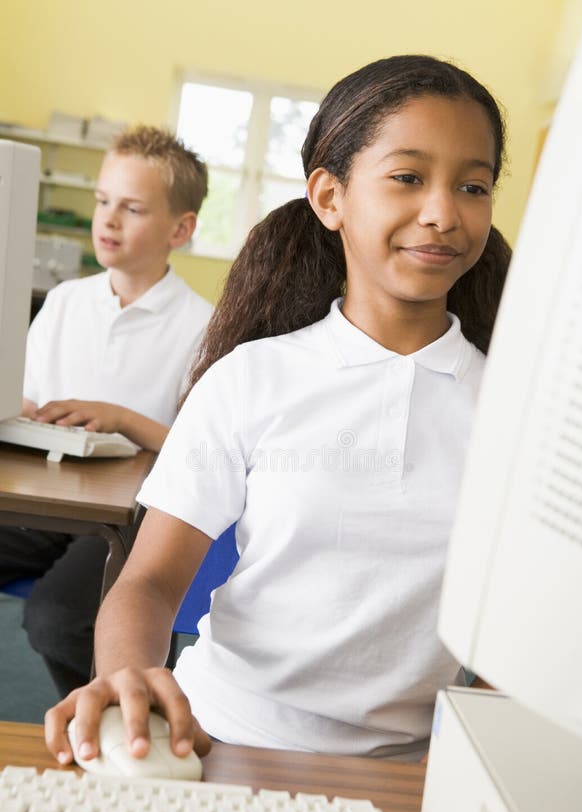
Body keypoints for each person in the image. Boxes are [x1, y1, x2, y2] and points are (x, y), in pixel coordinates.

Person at [46, 55, 512, 767]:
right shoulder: (252, 380)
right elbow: (148, 581)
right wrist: (128, 675)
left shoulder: (512, 411)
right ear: (330, 197)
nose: (443, 212)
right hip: (220, 736)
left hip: (415, 769)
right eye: (409, 177)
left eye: (473, 185)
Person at [0, 125, 213, 698]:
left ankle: (108, 713)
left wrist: (119, 416)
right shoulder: (67, 301)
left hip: (128, 517)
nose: (108, 220)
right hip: (47, 493)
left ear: (181, 229)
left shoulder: (203, 325)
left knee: (56, 619)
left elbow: (203, 453)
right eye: (102, 202)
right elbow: (27, 396)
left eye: (132, 208)